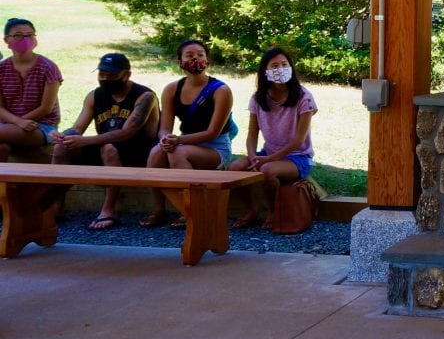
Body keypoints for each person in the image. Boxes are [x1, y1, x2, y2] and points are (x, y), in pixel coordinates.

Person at [51, 52, 159, 230]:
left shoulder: (145, 96)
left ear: (127, 75)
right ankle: (56, 206)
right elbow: (78, 128)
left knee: (109, 148)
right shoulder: (94, 96)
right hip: (105, 148)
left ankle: (109, 210)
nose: (106, 79)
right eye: (102, 74)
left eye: (112, 75)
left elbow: (127, 133)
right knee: (61, 148)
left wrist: (85, 141)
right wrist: (63, 136)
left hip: (139, 152)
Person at [141, 38, 237, 226]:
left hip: (215, 148)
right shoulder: (171, 89)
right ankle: (158, 209)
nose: (195, 59)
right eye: (190, 55)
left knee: (178, 152)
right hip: (184, 143)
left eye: (200, 55)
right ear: (180, 62)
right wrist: (165, 138)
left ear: (207, 61)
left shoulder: (221, 90)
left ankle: (192, 211)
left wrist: (178, 141)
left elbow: (212, 132)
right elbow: (164, 127)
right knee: (156, 152)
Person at [229, 47, 318, 229]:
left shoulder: (304, 97)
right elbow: (252, 134)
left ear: (291, 68)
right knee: (235, 167)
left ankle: (273, 211)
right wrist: (253, 156)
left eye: (284, 64)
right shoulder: (258, 98)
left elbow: (298, 140)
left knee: (268, 170)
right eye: (275, 66)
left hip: (298, 157)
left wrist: (269, 159)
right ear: (265, 71)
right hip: (268, 153)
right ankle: (251, 209)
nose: (280, 69)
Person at [0, 17, 63, 161]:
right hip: (8, 123)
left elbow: (46, 108)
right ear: (6, 40)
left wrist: (21, 121)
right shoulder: (2, 69)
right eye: (18, 35)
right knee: (2, 148)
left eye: (29, 35)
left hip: (42, 126)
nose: (25, 39)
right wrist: (17, 122)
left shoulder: (48, 68)